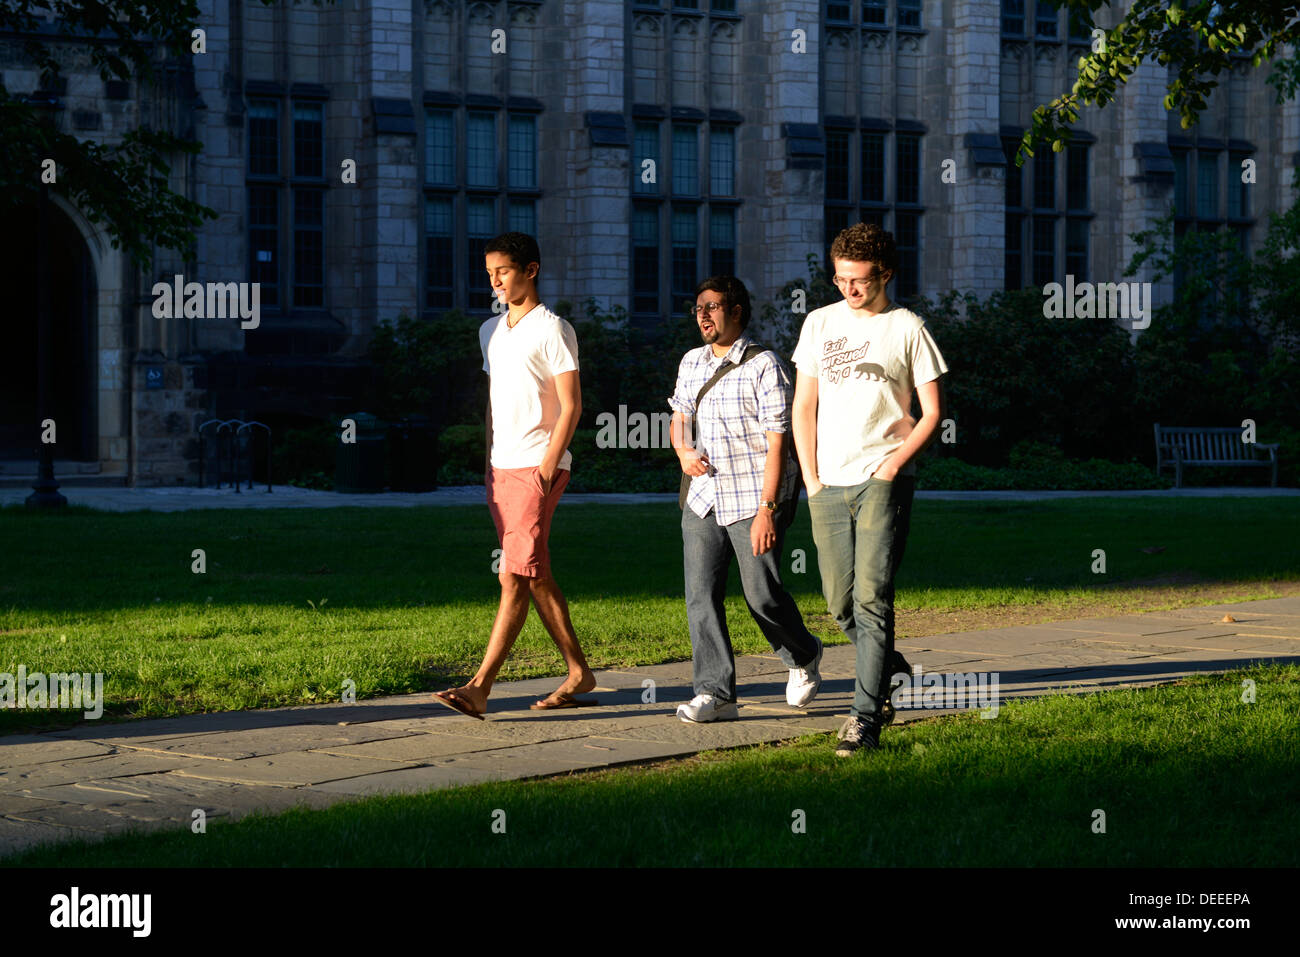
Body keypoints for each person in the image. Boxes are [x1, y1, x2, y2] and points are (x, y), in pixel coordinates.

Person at [791, 222, 947, 755]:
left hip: (884, 479)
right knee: (839, 605)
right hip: (828, 481)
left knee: (872, 599)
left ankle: (864, 717)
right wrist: (810, 477)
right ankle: (886, 670)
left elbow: (933, 414)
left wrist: (892, 466)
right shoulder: (818, 323)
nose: (848, 291)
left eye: (858, 281)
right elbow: (803, 406)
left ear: (885, 275)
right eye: (839, 280)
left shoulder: (907, 327)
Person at [433, 232, 596, 718]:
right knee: (534, 572)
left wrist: (548, 465)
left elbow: (573, 405)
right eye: (489, 273)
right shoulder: (490, 331)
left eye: (503, 270)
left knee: (512, 577)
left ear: (531, 269)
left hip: (537, 468)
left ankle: (479, 687)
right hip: (501, 471)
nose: (495, 280)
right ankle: (579, 671)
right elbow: (494, 403)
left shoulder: (553, 329)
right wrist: (488, 462)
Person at [668, 275, 824, 723]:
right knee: (700, 596)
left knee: (762, 595)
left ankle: (803, 653)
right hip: (703, 498)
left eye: (712, 307)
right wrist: (683, 450)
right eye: (698, 308)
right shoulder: (692, 362)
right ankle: (715, 693)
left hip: (752, 497)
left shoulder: (764, 365)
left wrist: (768, 510)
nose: (702, 315)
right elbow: (680, 417)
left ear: (736, 312)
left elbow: (779, 443)